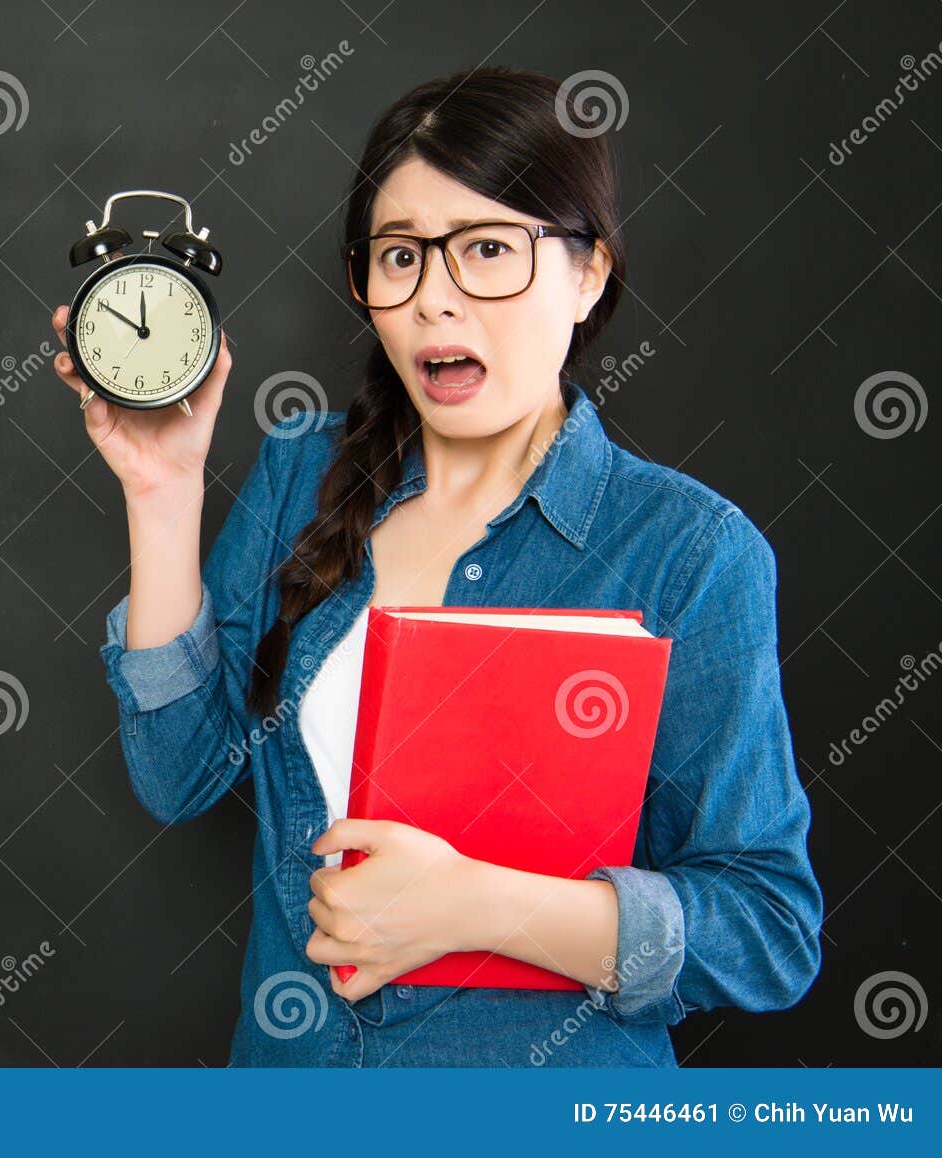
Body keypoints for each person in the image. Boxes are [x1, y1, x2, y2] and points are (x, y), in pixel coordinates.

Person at [48, 66, 822, 1067]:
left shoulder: (688, 552)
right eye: (399, 257)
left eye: (489, 250)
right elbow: (177, 775)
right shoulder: (300, 478)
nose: (434, 303)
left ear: (587, 274)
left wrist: (481, 907)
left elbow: (764, 932)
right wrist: (161, 494)